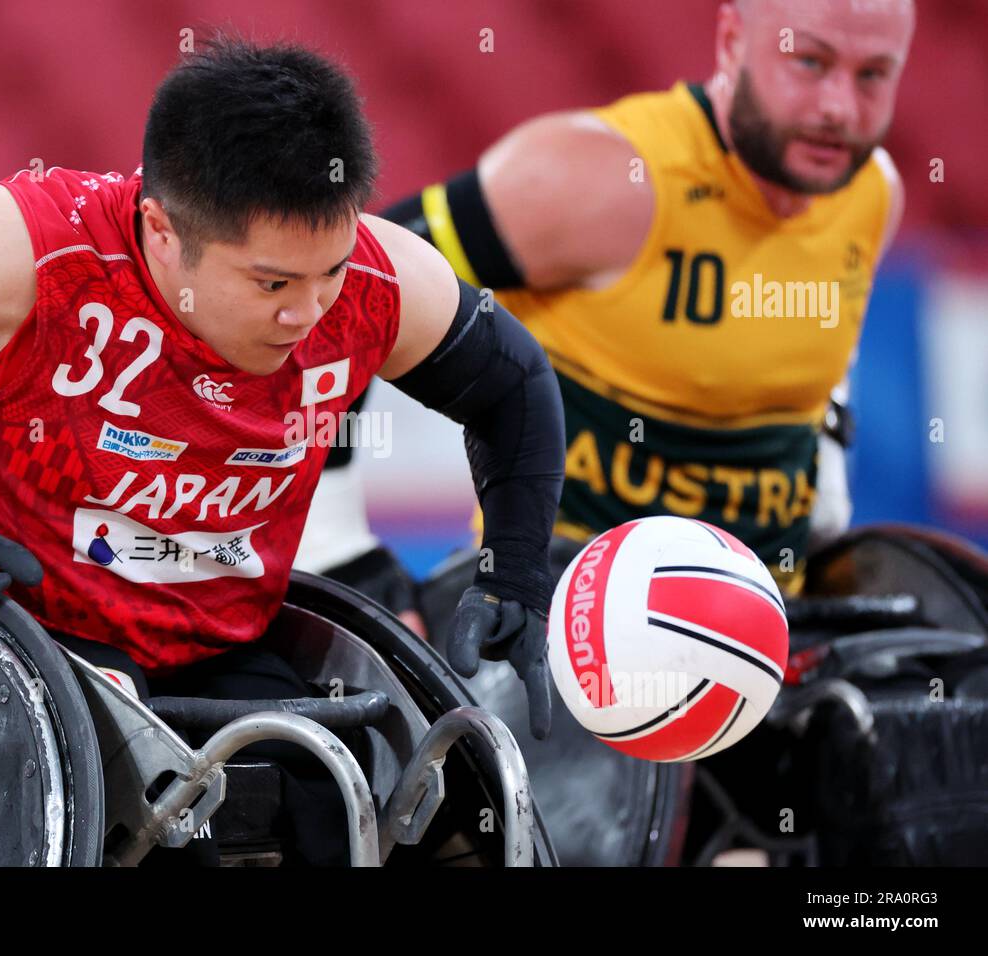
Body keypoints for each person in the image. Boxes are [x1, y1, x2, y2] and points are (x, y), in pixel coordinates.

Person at [0, 36, 565, 865]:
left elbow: (518, 386)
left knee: (419, 794)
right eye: (270, 283)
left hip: (220, 658)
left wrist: (514, 573)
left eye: (327, 273)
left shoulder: (376, 279)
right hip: (7, 656)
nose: (307, 315)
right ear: (159, 230)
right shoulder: (23, 251)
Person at [381, 0, 912, 596]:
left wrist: (830, 447)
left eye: (873, 74)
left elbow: (823, 352)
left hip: (765, 634)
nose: (839, 107)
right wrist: (345, 545)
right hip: (559, 623)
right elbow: (351, 283)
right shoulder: (601, 176)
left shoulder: (872, 194)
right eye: (810, 61)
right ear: (732, 38)